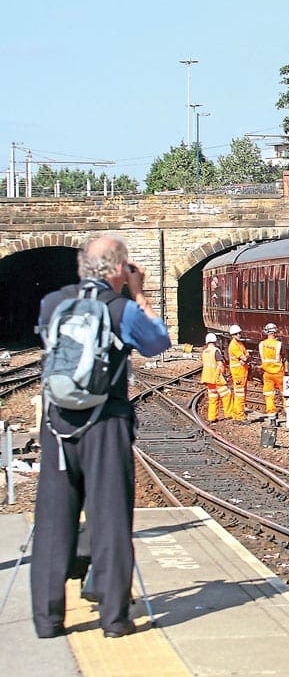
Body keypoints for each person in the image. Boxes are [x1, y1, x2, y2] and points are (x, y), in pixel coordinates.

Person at [31, 234, 171, 639]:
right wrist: (139, 292)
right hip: (105, 423)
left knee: (53, 520)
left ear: (81, 268)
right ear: (117, 270)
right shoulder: (121, 308)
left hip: (57, 423)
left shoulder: (53, 302)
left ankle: (47, 620)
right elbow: (157, 343)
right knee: (109, 521)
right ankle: (113, 619)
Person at [200, 332, 232, 422]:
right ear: (215, 341)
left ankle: (211, 417)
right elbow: (220, 364)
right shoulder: (215, 350)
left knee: (213, 397)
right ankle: (229, 414)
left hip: (207, 377)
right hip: (216, 377)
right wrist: (224, 375)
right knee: (227, 394)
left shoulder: (204, 351)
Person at [257, 323, 285, 422]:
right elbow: (283, 357)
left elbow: (261, 358)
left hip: (267, 374)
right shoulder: (278, 344)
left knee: (269, 395)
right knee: (285, 393)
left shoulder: (261, 344)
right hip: (278, 373)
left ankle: (272, 417)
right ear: (275, 332)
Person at [227, 324, 249, 421]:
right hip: (238, 373)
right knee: (239, 394)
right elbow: (244, 356)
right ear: (232, 335)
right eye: (236, 334)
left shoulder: (239, 344)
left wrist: (245, 357)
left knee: (241, 393)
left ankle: (239, 413)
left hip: (242, 372)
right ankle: (239, 416)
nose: (239, 335)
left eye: (239, 333)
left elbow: (247, 354)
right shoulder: (234, 345)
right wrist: (245, 357)